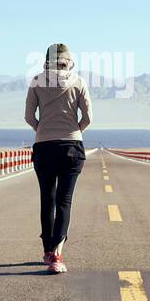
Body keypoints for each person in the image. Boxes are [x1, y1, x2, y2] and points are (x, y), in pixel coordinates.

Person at [25, 43, 92, 274]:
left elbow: (28, 117)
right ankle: (57, 254)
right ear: (68, 60)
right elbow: (88, 118)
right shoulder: (79, 82)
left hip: (43, 147)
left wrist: (42, 130)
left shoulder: (36, 81)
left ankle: (46, 251)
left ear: (46, 60)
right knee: (64, 201)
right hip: (72, 148)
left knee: (47, 198)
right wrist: (74, 131)